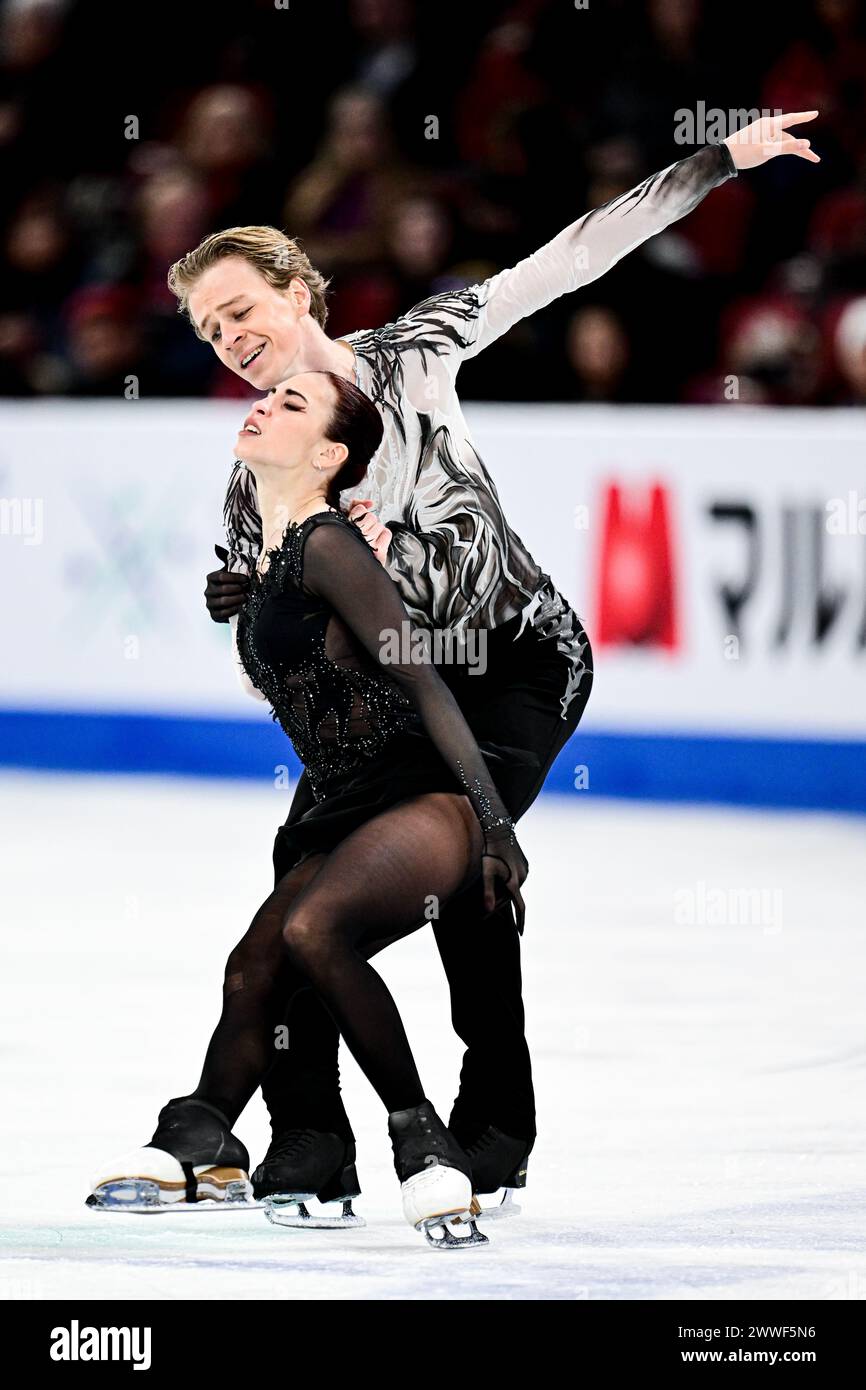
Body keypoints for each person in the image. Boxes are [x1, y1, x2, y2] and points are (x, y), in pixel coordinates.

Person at [134, 113, 823, 1219]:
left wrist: (715, 161)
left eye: (243, 311)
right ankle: (310, 1140)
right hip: (387, 698)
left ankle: (493, 1123)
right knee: (298, 873)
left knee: (462, 877)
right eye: (210, 329)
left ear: (300, 290)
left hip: (512, 661)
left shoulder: (412, 353)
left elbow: (568, 257)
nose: (231, 338)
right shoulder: (256, 464)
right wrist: (256, 598)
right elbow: (280, 662)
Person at [91, 371, 530, 1247]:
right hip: (337, 801)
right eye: (269, 397)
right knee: (252, 965)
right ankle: (202, 1125)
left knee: (313, 932)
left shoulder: (330, 543)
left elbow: (418, 674)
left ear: (331, 454)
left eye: (292, 404)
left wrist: (494, 819)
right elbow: (311, 654)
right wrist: (245, 600)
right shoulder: (280, 553)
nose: (263, 404)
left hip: (417, 791)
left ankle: (422, 1141)